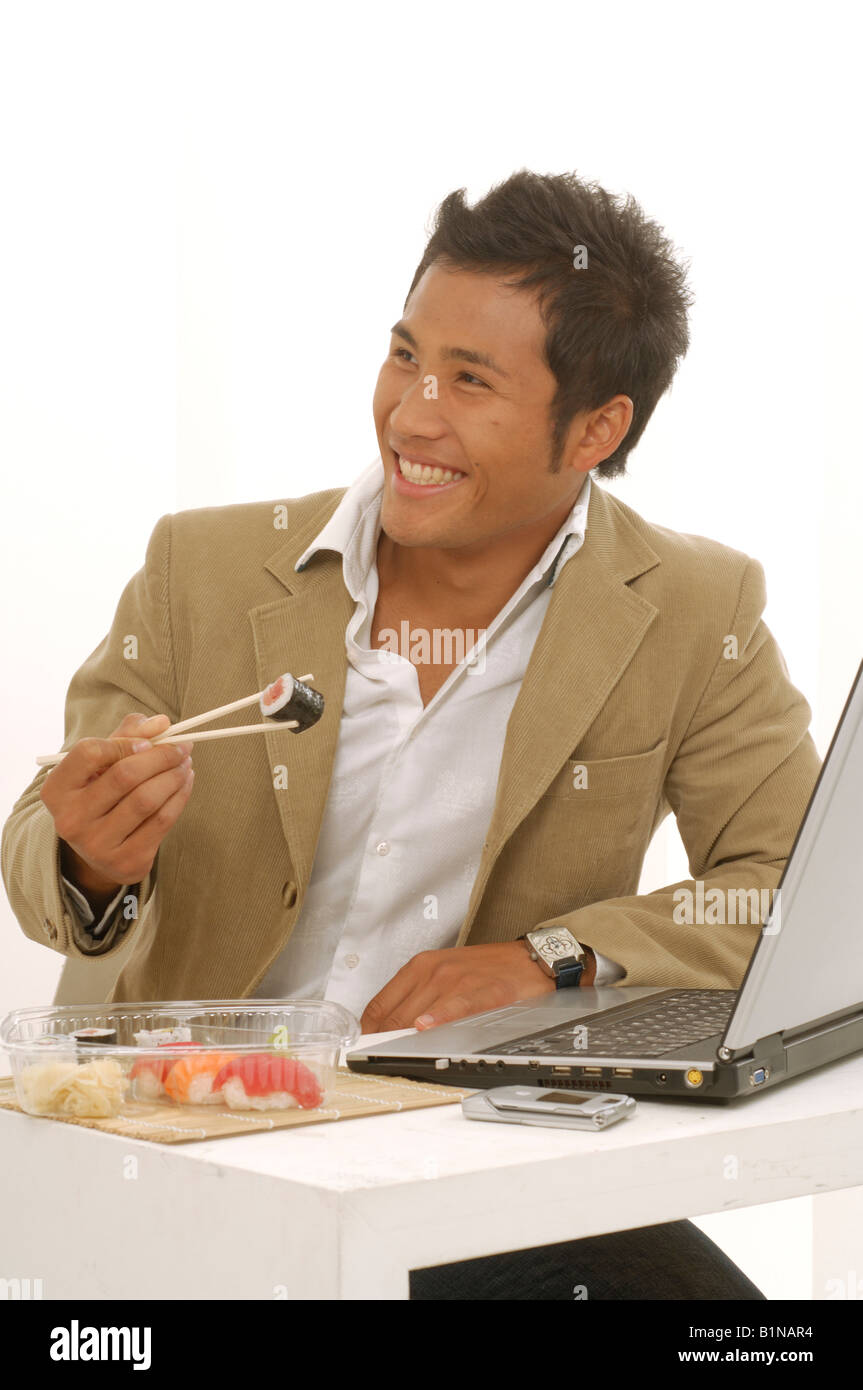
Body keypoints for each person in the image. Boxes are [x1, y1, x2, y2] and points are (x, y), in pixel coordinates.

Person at [2, 170, 820, 1299]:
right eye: (404, 355)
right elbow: (41, 850)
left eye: (469, 380)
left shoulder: (691, 607)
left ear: (594, 427)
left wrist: (550, 960)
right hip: (176, 1141)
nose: (411, 411)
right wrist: (91, 855)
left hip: (462, 1156)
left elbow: (786, 889)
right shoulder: (200, 566)